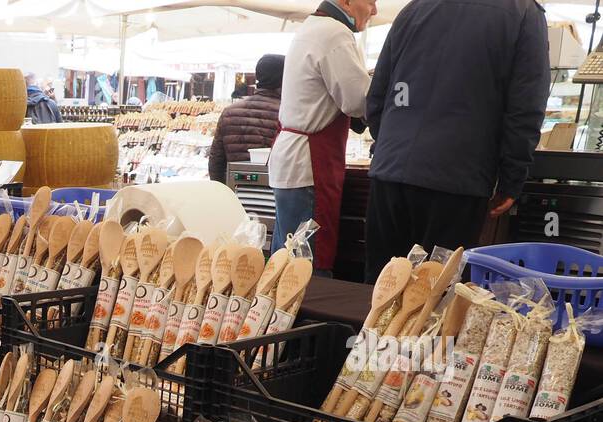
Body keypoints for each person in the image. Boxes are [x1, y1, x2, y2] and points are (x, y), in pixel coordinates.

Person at [363, 0, 549, 278]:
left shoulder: (415, 8)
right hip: (457, 179)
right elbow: (525, 107)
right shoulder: (523, 13)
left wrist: (390, 145)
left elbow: (377, 95)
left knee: (380, 289)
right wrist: (511, 180)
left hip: (390, 173)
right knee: (437, 293)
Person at [268, 0, 373, 272]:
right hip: (308, 165)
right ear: (348, 1)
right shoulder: (335, 33)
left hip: (293, 160)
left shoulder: (312, 28)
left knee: (286, 259)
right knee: (306, 267)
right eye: (371, 1)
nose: (373, 10)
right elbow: (358, 100)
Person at [209, 54, 284, 184]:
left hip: (235, 190)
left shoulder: (229, 112)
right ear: (282, 79)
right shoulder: (286, 114)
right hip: (273, 193)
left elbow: (216, 161)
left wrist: (224, 191)